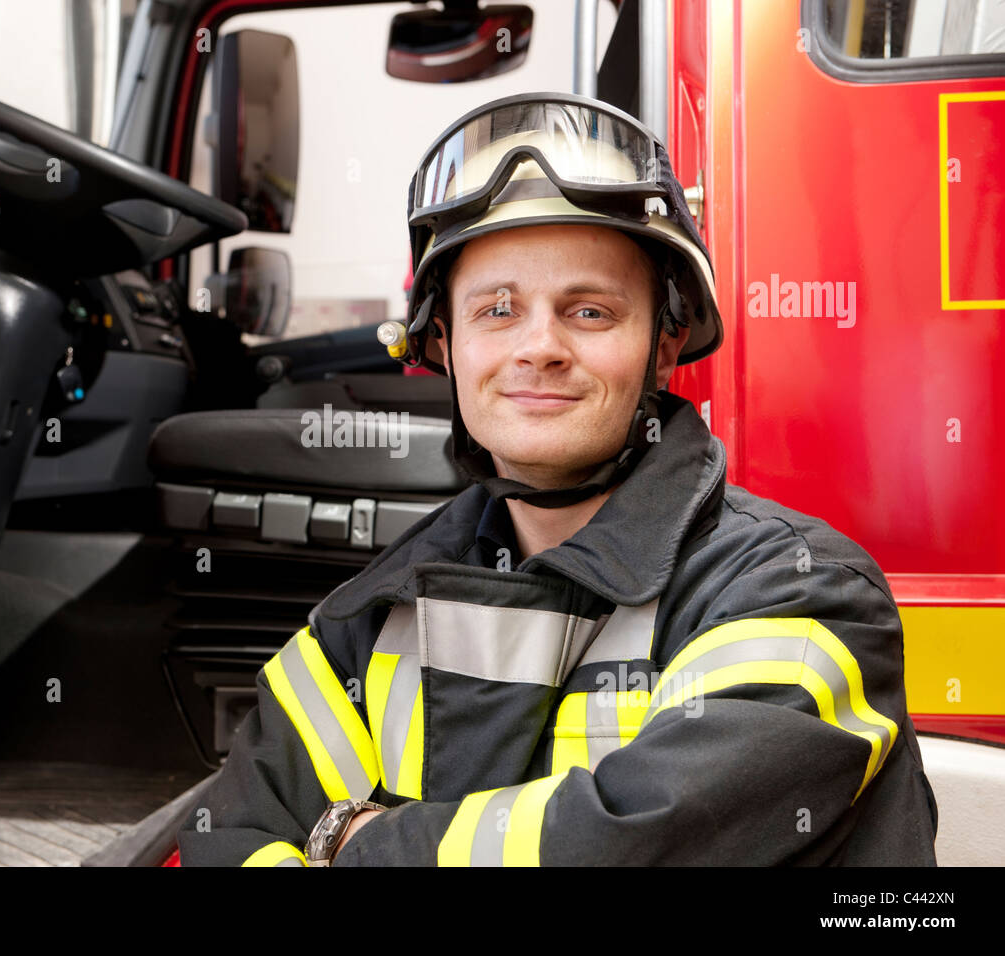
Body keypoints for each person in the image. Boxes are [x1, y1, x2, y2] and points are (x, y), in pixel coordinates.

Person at [177, 92, 939, 866]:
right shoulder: (372, 617)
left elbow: (639, 846)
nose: (539, 347)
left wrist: (353, 843)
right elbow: (232, 839)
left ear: (665, 346)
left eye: (590, 313)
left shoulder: (800, 596)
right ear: (445, 345)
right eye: (498, 310)